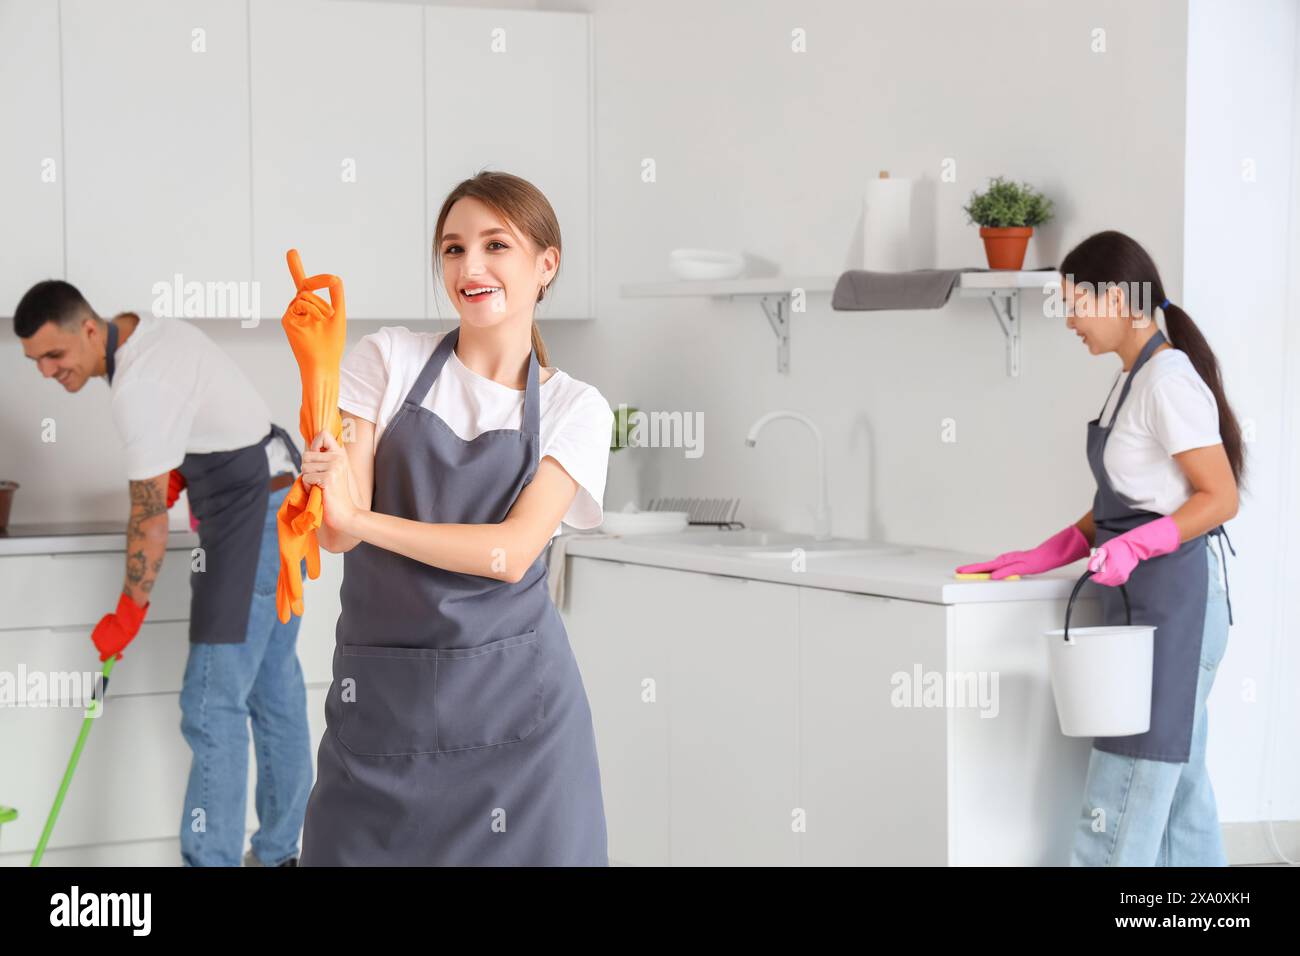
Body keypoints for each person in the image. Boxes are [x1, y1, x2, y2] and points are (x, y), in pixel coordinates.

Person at [297, 170, 613, 865]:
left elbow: (511, 552)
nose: (470, 267)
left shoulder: (576, 409)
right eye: (452, 248)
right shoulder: (387, 359)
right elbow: (336, 530)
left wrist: (363, 516)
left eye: (496, 244)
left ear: (545, 264)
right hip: (382, 709)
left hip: (518, 732)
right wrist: (316, 405)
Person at [957, 230, 1241, 866]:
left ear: (1115, 299)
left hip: (1180, 605)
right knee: (1178, 796)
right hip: (1152, 603)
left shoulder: (1167, 381)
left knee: (1123, 795)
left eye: (1072, 305)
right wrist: (1049, 550)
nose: (1068, 322)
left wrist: (1140, 547)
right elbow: (1131, 496)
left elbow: (1219, 497)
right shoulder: (1129, 381)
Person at [14, 283, 313, 867]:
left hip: (251, 527)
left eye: (55, 355)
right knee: (274, 692)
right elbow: (205, 429)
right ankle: (280, 855)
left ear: (90, 331)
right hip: (284, 513)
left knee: (210, 705)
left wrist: (127, 613)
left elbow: (148, 523)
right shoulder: (153, 333)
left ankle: (214, 861)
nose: (50, 371)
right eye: (36, 362)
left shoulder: (138, 385)